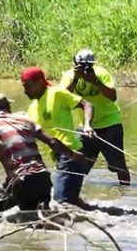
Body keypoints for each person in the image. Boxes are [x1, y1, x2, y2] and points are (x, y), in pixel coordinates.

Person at [0, 93, 86, 222]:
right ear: (8, 107)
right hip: (43, 178)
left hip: (22, 179)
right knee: (37, 217)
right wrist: (73, 154)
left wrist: (11, 172)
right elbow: (52, 142)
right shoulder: (24, 120)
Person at [21, 66, 95, 210]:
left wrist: (87, 125)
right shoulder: (32, 109)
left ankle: (78, 227)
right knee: (70, 200)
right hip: (57, 156)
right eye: (24, 87)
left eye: (28, 86)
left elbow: (87, 105)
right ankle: (93, 216)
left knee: (60, 202)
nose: (25, 91)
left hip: (71, 154)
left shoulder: (56, 93)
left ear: (40, 82)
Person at [60, 49, 130, 185]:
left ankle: (126, 194)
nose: (84, 69)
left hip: (109, 124)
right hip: (85, 127)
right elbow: (62, 99)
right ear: (75, 63)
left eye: (87, 66)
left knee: (118, 166)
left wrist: (95, 81)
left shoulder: (101, 73)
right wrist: (76, 78)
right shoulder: (69, 75)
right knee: (78, 165)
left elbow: (112, 96)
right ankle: (73, 195)